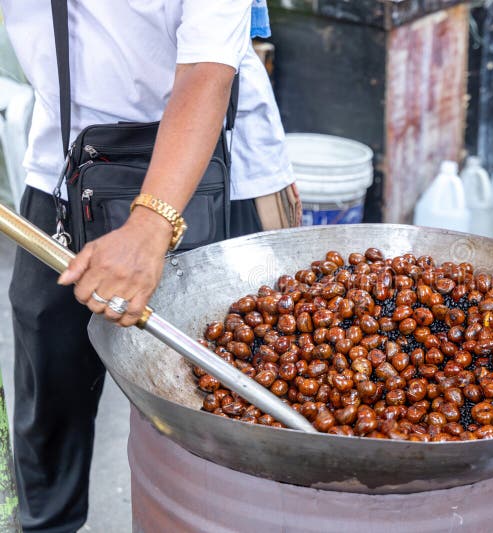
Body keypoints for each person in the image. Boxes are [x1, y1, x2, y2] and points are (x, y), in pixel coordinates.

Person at [0, 1, 299, 530]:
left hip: (217, 167)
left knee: (227, 409)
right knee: (48, 393)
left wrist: (150, 227)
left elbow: (207, 69)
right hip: (67, 163)